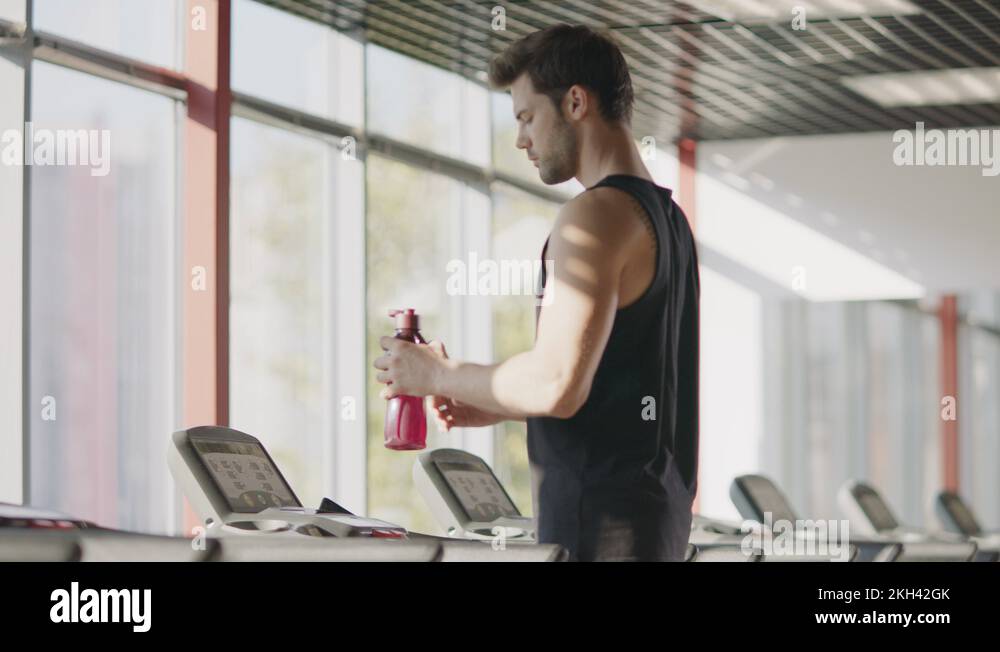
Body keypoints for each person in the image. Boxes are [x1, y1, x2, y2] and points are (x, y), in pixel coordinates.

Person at [374, 24, 700, 561]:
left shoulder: (595, 215)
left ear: (575, 102)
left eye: (526, 117)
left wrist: (433, 374)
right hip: (652, 527)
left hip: (599, 533)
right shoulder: (668, 221)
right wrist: (497, 403)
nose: (521, 139)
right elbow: (621, 395)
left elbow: (556, 384)